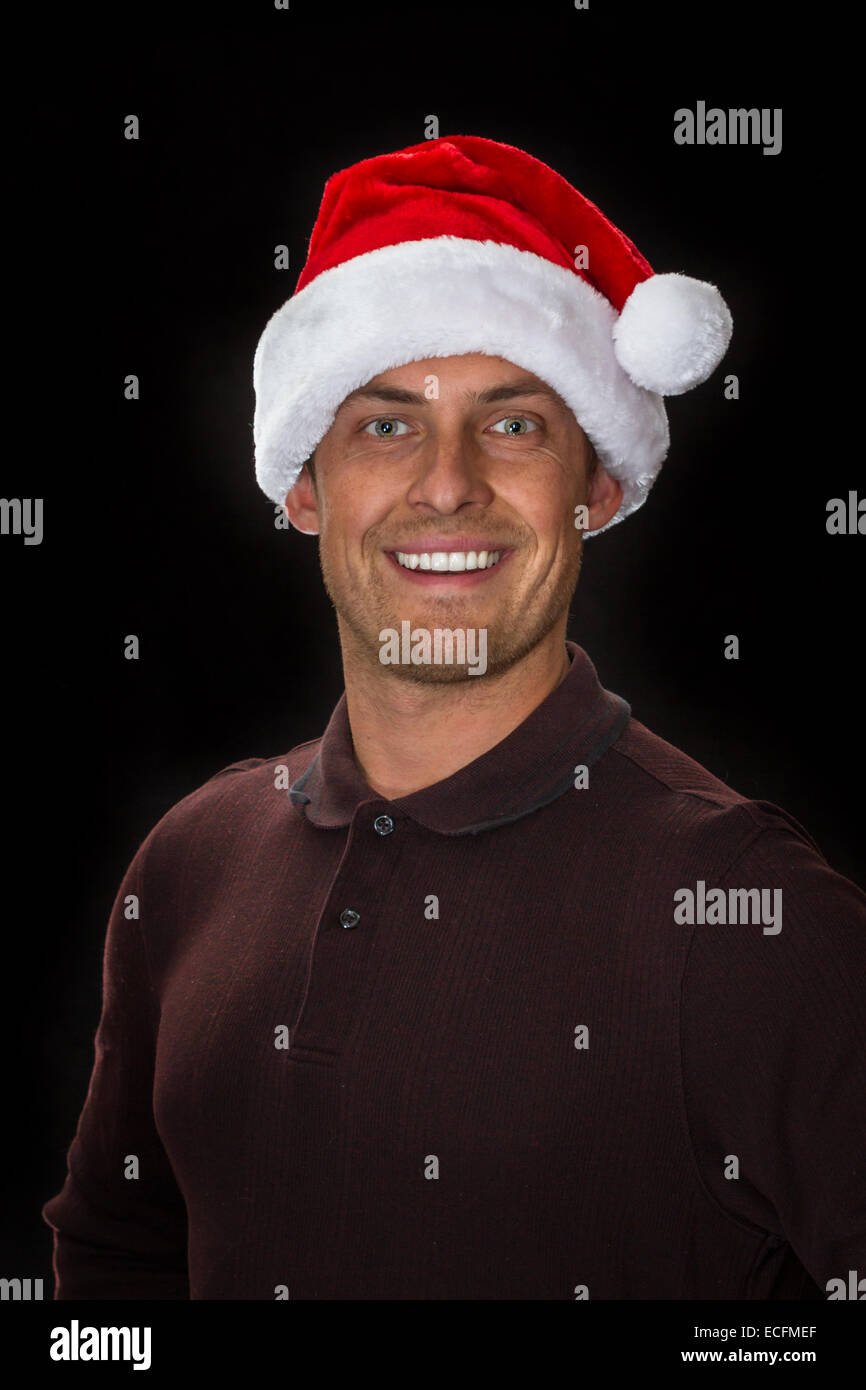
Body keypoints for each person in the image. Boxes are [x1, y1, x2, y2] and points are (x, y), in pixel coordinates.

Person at [42, 135, 865, 1300]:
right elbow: (115, 1259)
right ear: (302, 485)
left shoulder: (751, 911)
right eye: (385, 424)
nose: (445, 482)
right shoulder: (187, 864)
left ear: (595, 487)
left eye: (513, 422)